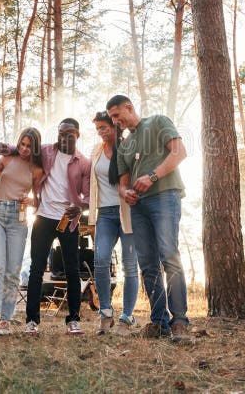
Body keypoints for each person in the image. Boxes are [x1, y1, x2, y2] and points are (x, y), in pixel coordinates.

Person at [106, 95, 190, 343]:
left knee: (169, 255)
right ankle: (159, 322)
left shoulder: (158, 122)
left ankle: (180, 322)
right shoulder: (124, 146)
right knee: (147, 264)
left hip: (165, 197)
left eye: (117, 115)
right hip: (138, 207)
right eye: (111, 117)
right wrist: (127, 192)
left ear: (129, 108)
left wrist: (152, 176)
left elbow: (179, 152)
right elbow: (122, 185)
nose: (115, 121)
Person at [24, 119, 90, 335]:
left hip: (68, 221)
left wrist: (79, 209)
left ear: (77, 135)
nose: (64, 138)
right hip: (43, 218)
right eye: (61, 133)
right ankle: (32, 322)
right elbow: (22, 148)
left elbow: (88, 197)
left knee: (72, 270)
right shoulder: (46, 151)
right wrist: (3, 148)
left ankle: (73, 321)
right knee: (37, 269)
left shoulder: (83, 162)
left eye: (69, 134)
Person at [0, 127, 43, 336]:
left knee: (12, 272)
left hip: (18, 219)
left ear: (35, 147)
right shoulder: (7, 159)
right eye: (22, 144)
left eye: (29, 146)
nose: (25, 149)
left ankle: (5, 319)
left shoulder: (37, 170)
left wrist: (31, 201)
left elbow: (39, 200)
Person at [89, 111, 138, 336]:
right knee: (100, 260)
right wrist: (91, 218)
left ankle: (126, 318)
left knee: (129, 265)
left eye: (104, 127)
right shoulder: (97, 151)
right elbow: (92, 187)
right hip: (105, 214)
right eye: (98, 128)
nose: (100, 132)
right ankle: (105, 313)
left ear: (114, 127)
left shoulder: (128, 147)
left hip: (127, 212)